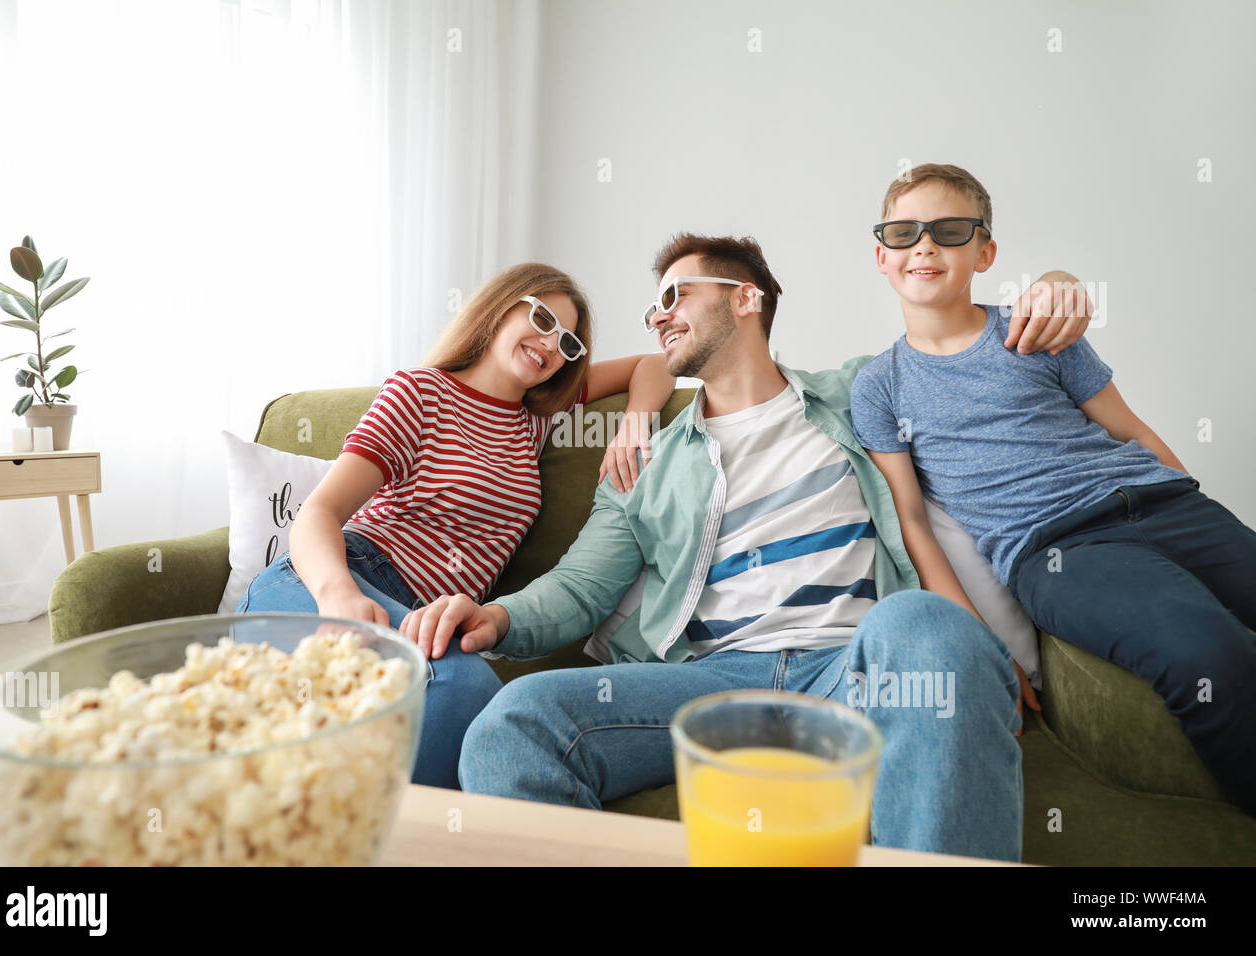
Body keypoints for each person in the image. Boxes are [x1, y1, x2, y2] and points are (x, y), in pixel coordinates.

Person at [400, 235, 1095, 861]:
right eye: (653, 309)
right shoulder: (644, 461)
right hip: (714, 683)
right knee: (512, 726)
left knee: (926, 625)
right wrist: (497, 617)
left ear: (746, 298)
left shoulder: (863, 392)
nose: (659, 316)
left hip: (852, 668)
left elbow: (968, 354)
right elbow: (581, 587)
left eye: (676, 295)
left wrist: (1055, 284)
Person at [849, 163, 1256, 815]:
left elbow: (1132, 430)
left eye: (948, 230)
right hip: (1061, 550)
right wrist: (978, 645)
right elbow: (913, 526)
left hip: (1168, 505)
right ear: (881, 256)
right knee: (1211, 654)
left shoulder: (1035, 331)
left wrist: (1194, 502)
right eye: (904, 233)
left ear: (984, 252)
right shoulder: (879, 386)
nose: (924, 244)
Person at [236, 262, 677, 790]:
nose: (550, 345)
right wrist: (340, 599)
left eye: (567, 343)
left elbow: (654, 365)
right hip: (337, 579)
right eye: (540, 318)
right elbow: (318, 513)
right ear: (500, 307)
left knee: (469, 702)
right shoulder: (419, 394)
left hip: (427, 617)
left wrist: (635, 420)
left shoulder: (536, 416)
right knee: (463, 690)